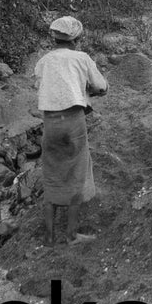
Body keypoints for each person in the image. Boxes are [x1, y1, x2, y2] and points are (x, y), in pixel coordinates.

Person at [34, 16, 108, 246]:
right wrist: (90, 90)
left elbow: (41, 85)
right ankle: (71, 235)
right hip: (73, 121)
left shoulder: (44, 61)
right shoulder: (81, 58)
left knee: (51, 175)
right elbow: (101, 87)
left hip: (50, 124)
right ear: (76, 39)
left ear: (54, 38)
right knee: (76, 174)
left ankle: (48, 237)